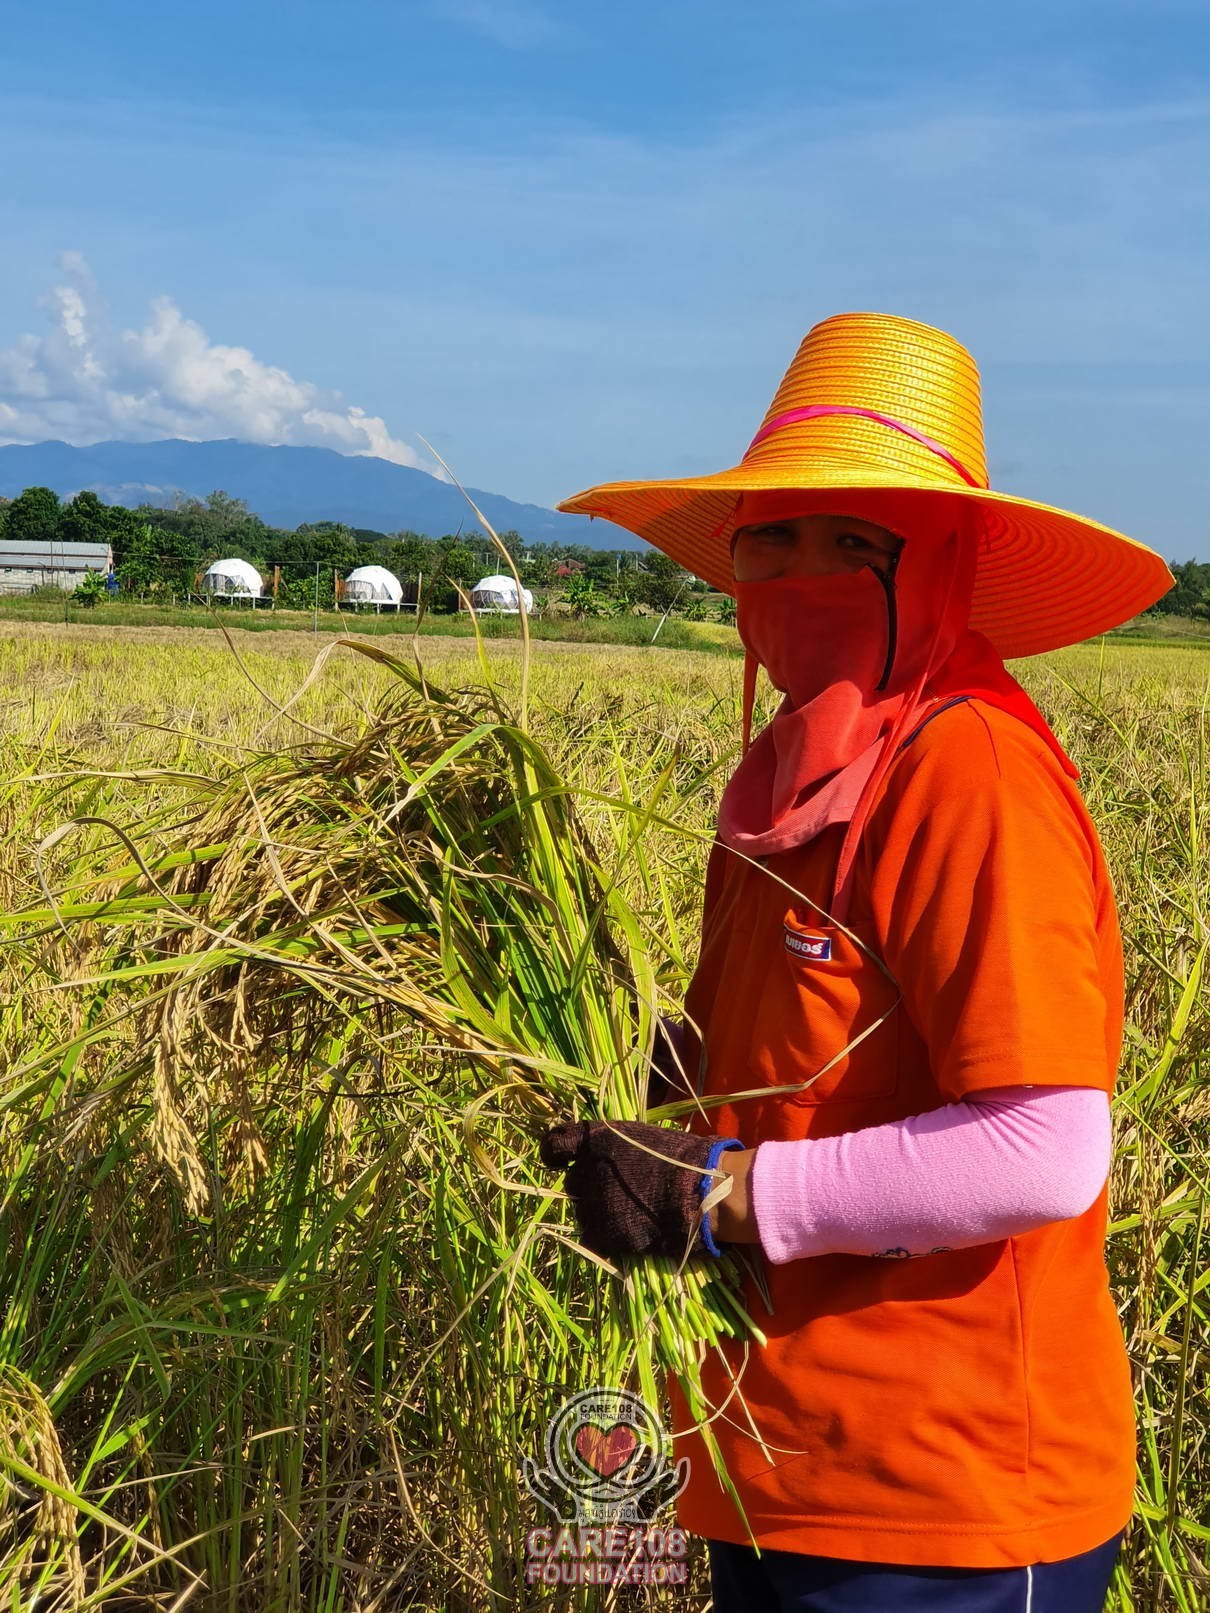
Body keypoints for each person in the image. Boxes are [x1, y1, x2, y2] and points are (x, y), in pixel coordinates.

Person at [539, 313, 1174, 1612]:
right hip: (770, 1454)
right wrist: (633, 1083)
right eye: (770, 535)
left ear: (939, 564)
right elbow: (796, 1056)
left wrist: (716, 1192)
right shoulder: (783, 770)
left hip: (942, 1502)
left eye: (855, 543)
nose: (799, 570)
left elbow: (1041, 1146)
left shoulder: (968, 770)